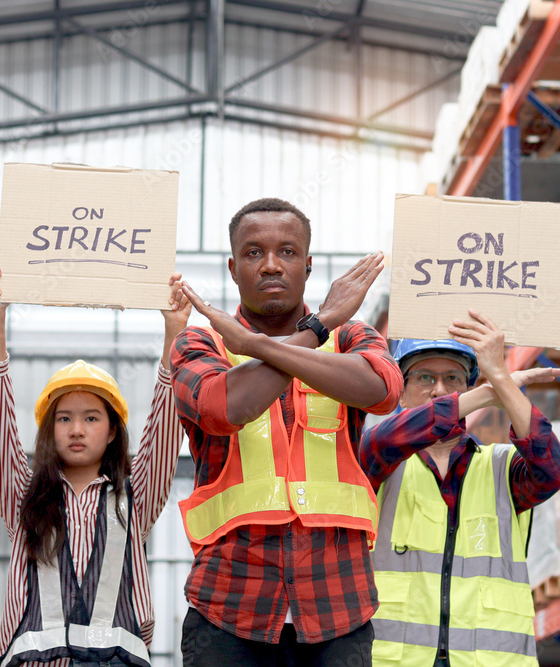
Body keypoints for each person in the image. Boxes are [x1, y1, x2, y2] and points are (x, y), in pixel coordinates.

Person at [170, 197, 404, 666]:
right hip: (229, 608)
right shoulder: (199, 342)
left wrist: (269, 344)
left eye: (288, 252)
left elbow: (384, 390)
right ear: (234, 268)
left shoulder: (352, 338)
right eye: (254, 253)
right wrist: (317, 327)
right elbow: (227, 406)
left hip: (339, 607)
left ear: (309, 265)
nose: (272, 264)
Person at [0, 261, 189, 667]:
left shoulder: (134, 497)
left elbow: (165, 426)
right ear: (49, 430)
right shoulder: (23, 496)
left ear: (111, 432)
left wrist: (174, 332)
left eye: (91, 418)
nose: (76, 429)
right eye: (64, 418)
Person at [359, 310, 560, 667]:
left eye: (453, 379)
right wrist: (487, 392)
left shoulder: (502, 469)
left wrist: (501, 379)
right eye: (425, 377)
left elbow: (553, 470)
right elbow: (383, 438)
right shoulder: (378, 462)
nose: (439, 389)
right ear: (401, 391)